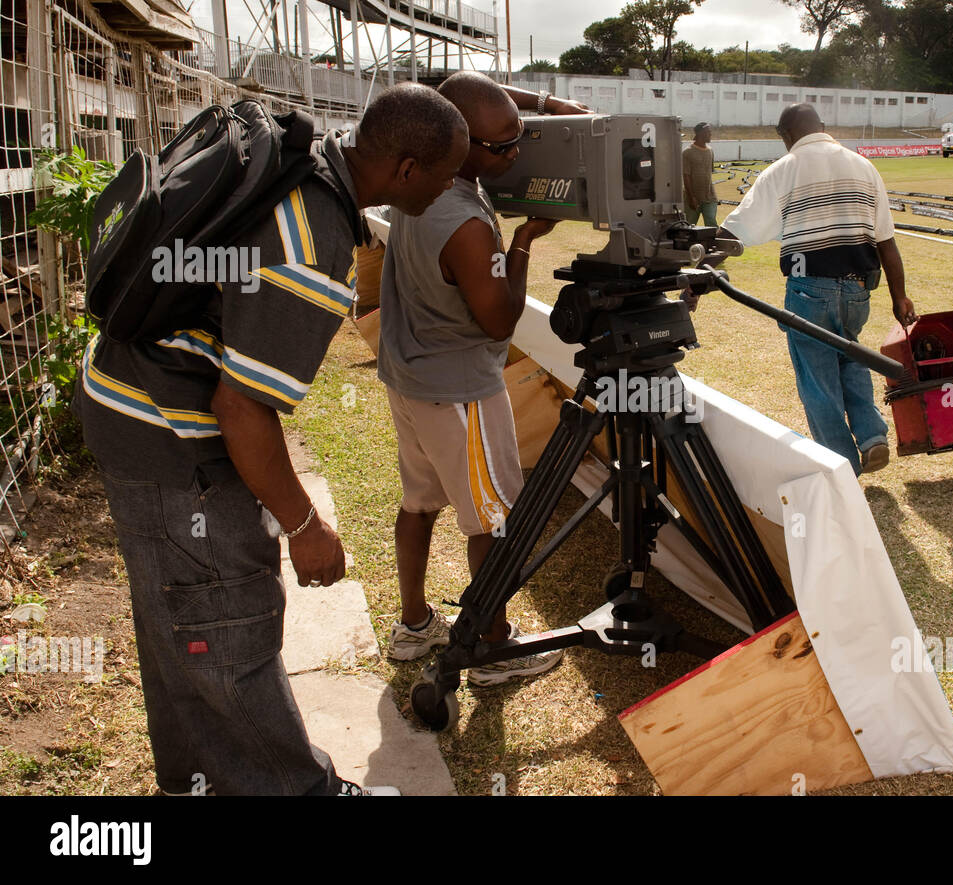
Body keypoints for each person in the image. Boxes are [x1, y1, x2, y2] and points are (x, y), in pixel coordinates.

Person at [76, 83, 470, 795]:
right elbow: (241, 411)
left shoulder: (308, 158)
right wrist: (303, 523)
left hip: (122, 397)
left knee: (182, 623)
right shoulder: (310, 244)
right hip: (165, 429)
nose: (451, 188)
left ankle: (192, 783)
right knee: (227, 621)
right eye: (446, 174)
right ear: (406, 169)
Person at [380, 73, 589, 682]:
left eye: (518, 137)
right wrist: (523, 240)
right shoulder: (466, 222)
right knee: (494, 520)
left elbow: (465, 89)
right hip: (460, 391)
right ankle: (493, 647)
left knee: (419, 504)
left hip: (411, 378)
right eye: (500, 147)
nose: (515, 153)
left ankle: (415, 624)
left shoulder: (420, 184)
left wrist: (545, 105)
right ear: (460, 142)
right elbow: (498, 322)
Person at [717, 103, 916, 475]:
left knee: (817, 376)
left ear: (786, 136)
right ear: (822, 126)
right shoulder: (864, 167)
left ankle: (840, 464)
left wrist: (699, 268)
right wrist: (899, 295)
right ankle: (872, 436)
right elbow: (886, 240)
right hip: (858, 289)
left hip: (809, 288)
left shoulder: (783, 170)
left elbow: (733, 232)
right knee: (852, 358)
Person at [683, 122, 719, 227]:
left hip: (710, 197)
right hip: (693, 198)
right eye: (708, 132)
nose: (710, 134)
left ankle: (713, 244)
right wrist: (691, 197)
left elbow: (708, 174)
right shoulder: (687, 152)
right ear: (700, 134)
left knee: (711, 224)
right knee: (689, 226)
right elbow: (686, 176)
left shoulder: (711, 151)